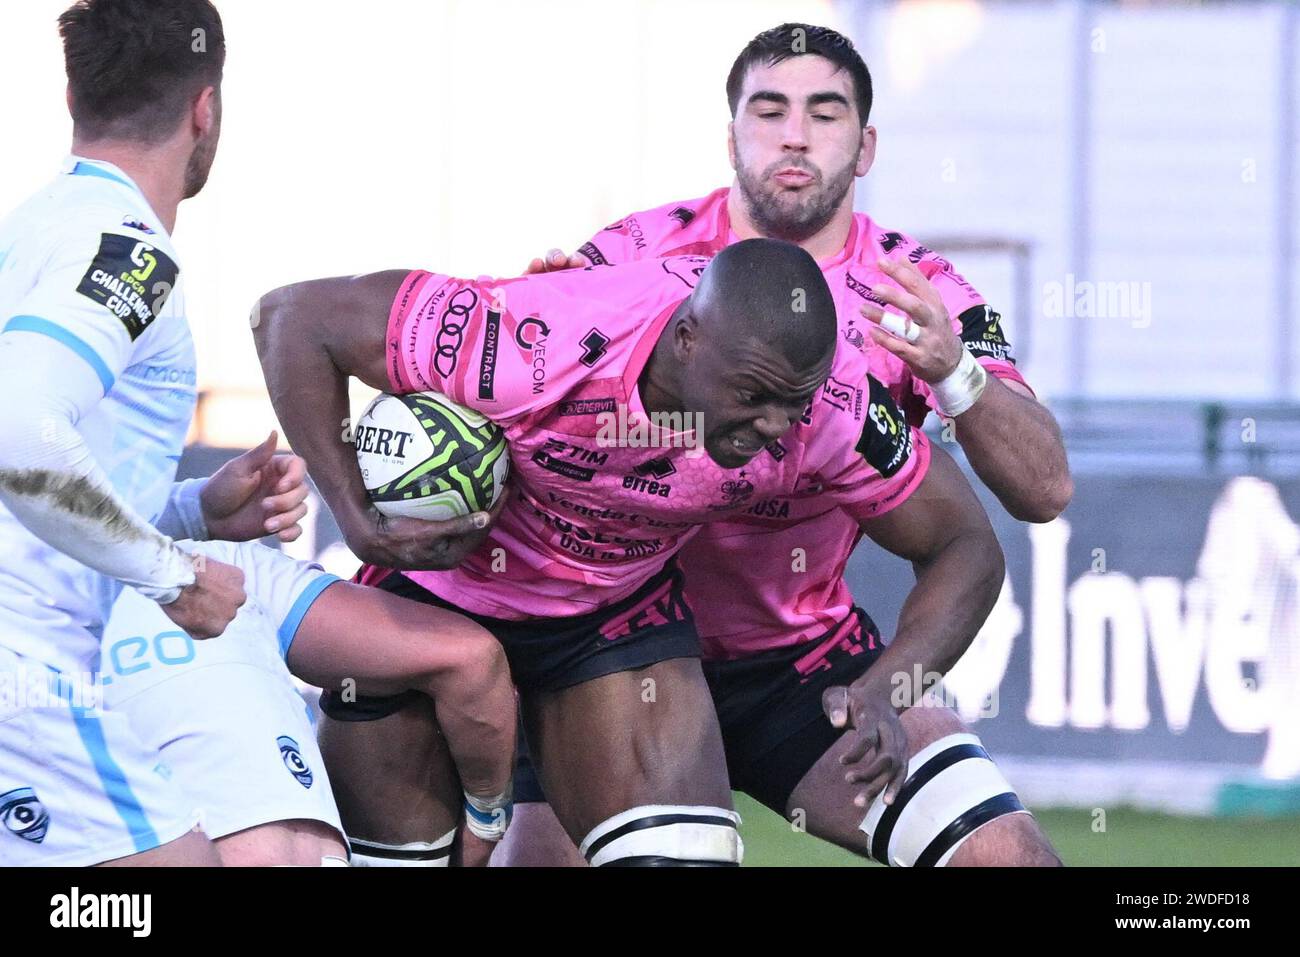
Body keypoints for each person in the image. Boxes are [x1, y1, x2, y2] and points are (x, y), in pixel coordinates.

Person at [494, 22, 1068, 866]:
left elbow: (1044, 490)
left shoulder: (919, 294)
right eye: (769, 112)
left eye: (825, 113)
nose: (795, 135)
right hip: (607, 653)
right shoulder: (629, 258)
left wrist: (957, 375)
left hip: (796, 663)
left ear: (865, 147)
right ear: (732, 139)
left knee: (1010, 857)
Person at [253, 237, 1005, 866]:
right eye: (753, 397)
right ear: (686, 339)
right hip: (440, 598)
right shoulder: (531, 339)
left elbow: (965, 544)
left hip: (606, 615)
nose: (777, 426)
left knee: (684, 860)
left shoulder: (835, 404)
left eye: (792, 404)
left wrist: (890, 685)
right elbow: (292, 318)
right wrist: (355, 515)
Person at [0, 0, 240, 866]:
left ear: (73, 96)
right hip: (25, 668)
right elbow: (20, 433)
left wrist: (193, 510)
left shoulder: (28, 229)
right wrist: (174, 575)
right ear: (204, 109)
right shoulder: (129, 250)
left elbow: (33, 483)